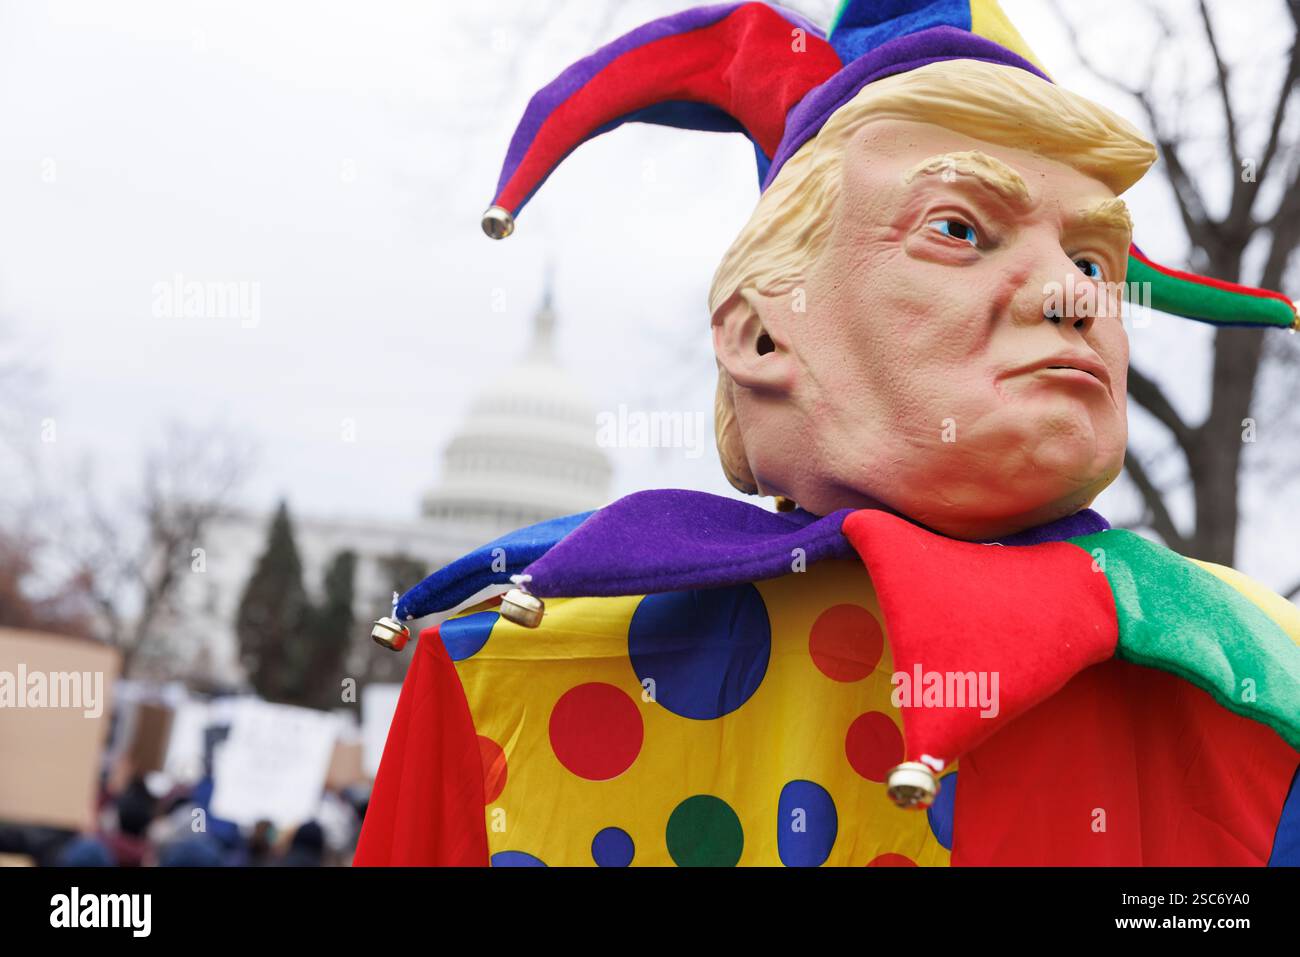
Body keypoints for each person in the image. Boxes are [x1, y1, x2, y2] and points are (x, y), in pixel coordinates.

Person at [356, 0, 1299, 866]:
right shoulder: (500, 673)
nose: (1075, 293)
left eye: (1092, 256)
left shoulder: (1261, 682)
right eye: (961, 229)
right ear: (760, 333)